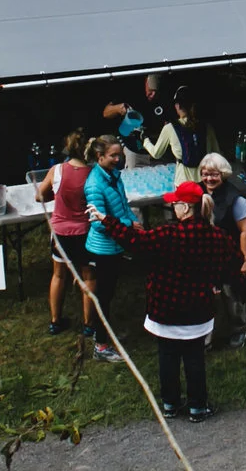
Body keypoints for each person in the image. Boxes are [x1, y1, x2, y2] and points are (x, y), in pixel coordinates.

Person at [90, 180, 238, 422]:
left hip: (166, 309)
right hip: (198, 310)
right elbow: (235, 261)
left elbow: (133, 241)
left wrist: (106, 220)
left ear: (187, 208)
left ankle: (170, 404)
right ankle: (197, 407)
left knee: (167, 358)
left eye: (176, 204)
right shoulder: (217, 236)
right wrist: (215, 280)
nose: (172, 208)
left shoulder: (166, 234)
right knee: (195, 358)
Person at [81, 135, 137, 362]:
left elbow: (123, 205)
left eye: (119, 155)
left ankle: (104, 333)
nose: (118, 159)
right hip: (102, 249)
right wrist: (128, 225)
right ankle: (101, 346)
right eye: (113, 156)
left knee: (109, 294)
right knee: (103, 296)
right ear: (100, 156)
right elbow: (98, 223)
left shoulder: (113, 176)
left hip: (115, 245)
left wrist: (132, 220)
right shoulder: (94, 184)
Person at [35, 132, 93, 336]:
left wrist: (54, 193)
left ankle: (55, 321)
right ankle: (88, 324)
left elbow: (39, 196)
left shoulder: (56, 170)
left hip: (60, 231)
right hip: (85, 232)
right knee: (88, 277)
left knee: (59, 275)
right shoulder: (92, 173)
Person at [197, 151, 246, 347]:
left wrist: (245, 259)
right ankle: (205, 338)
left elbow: (245, 231)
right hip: (204, 256)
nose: (209, 178)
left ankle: (239, 330)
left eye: (214, 174)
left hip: (229, 255)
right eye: (205, 174)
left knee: (232, 294)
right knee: (204, 298)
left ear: (223, 174)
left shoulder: (235, 199)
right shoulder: (197, 192)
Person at [103, 73, 171, 157]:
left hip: (160, 150)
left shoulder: (166, 96)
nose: (152, 94)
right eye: (150, 90)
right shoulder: (132, 90)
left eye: (156, 91)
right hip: (134, 151)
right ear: (146, 82)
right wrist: (117, 108)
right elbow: (106, 113)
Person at [143, 84, 206, 168]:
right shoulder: (205, 126)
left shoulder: (170, 128)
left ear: (177, 105)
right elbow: (215, 153)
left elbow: (156, 153)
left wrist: (145, 140)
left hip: (182, 178)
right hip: (204, 176)